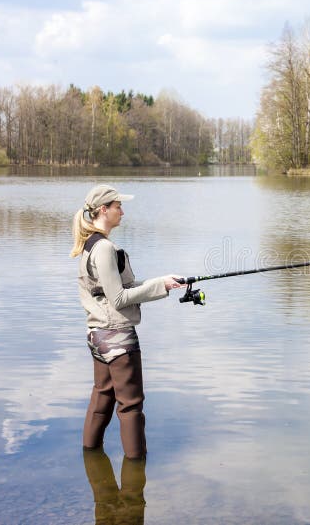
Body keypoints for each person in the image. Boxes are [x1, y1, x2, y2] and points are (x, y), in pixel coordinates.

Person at [71, 184, 182, 459]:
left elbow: (118, 289)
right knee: (131, 407)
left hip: (98, 336)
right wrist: (161, 287)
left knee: (102, 398)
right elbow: (120, 298)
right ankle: (135, 480)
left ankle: (90, 458)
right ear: (103, 210)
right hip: (118, 337)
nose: (123, 211)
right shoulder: (105, 248)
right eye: (118, 206)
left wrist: (163, 281)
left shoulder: (91, 245)